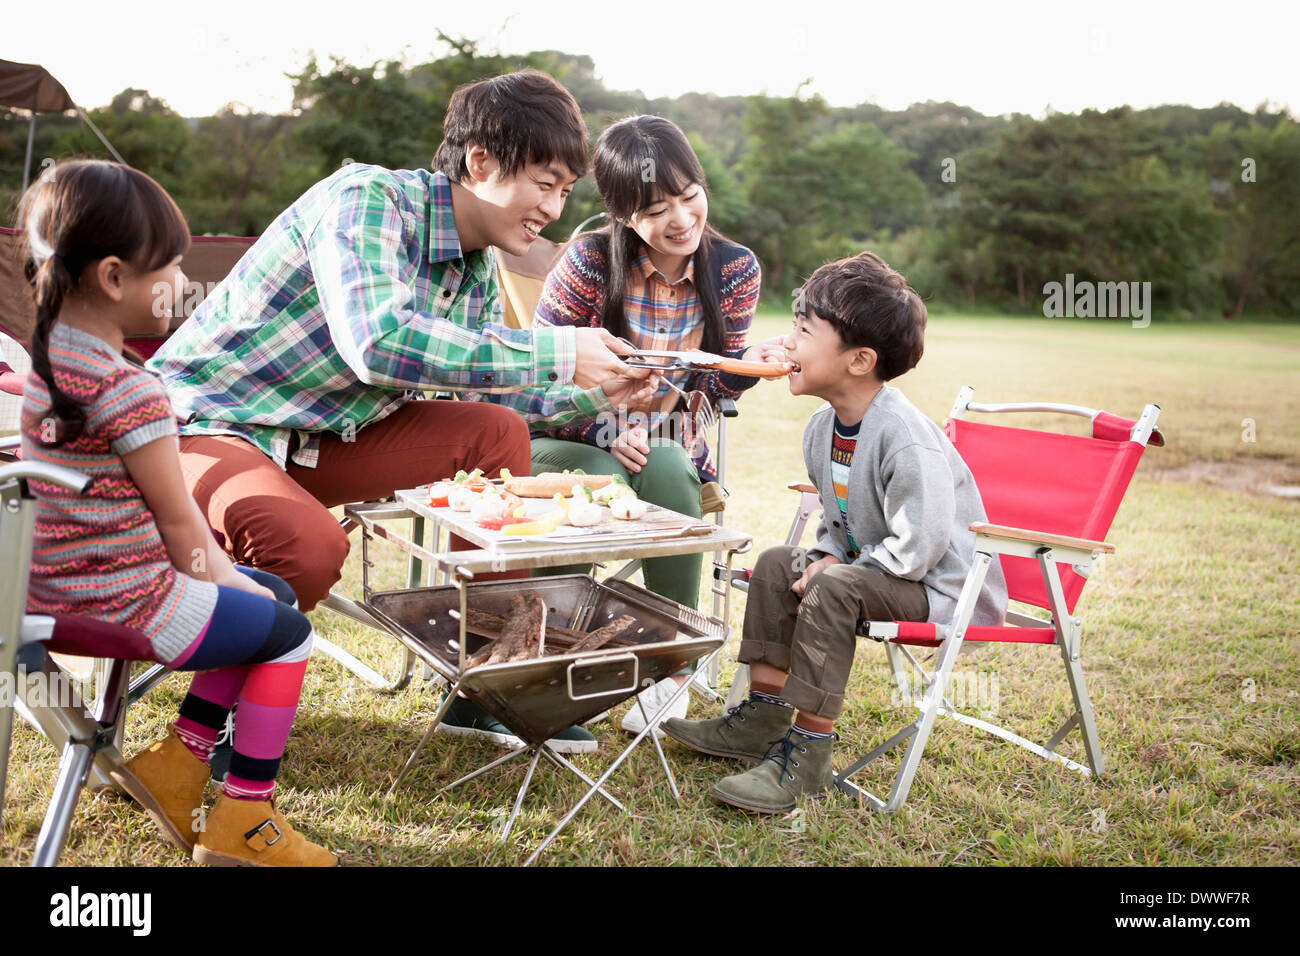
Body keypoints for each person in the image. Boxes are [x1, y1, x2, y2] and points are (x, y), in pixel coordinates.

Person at [149, 70, 654, 754]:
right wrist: (559, 350)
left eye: (566, 191)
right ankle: (215, 721)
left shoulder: (473, 269)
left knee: (494, 431)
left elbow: (482, 389)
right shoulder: (369, 200)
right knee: (307, 546)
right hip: (210, 422)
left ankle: (482, 685)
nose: (554, 210)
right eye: (546, 182)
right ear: (480, 160)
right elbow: (377, 344)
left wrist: (599, 390)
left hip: (322, 434)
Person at [18, 159, 336, 865]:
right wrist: (233, 582)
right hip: (122, 604)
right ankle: (244, 823)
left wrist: (244, 584)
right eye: (170, 266)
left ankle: (179, 765)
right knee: (287, 632)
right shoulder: (130, 389)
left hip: (45, 595)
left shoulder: (46, 365)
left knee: (273, 593)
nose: (180, 284)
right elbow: (180, 524)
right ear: (112, 277)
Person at [662, 251, 1009, 814]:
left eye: (803, 331)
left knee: (833, 585)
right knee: (779, 563)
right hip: (876, 570)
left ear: (859, 360)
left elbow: (920, 544)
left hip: (938, 589)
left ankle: (811, 749)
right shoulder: (823, 428)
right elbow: (836, 519)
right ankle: (762, 718)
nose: (787, 343)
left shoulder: (906, 439)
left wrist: (840, 568)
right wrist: (824, 554)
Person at [507, 115, 785, 737]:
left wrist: (745, 370)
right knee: (601, 470)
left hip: (668, 448)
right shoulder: (587, 264)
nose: (682, 219)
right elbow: (528, 383)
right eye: (658, 209)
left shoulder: (734, 270)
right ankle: (549, 659)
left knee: (663, 464)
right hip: (566, 435)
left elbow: (709, 394)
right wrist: (602, 426)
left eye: (690, 197)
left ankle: (670, 664)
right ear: (623, 213)